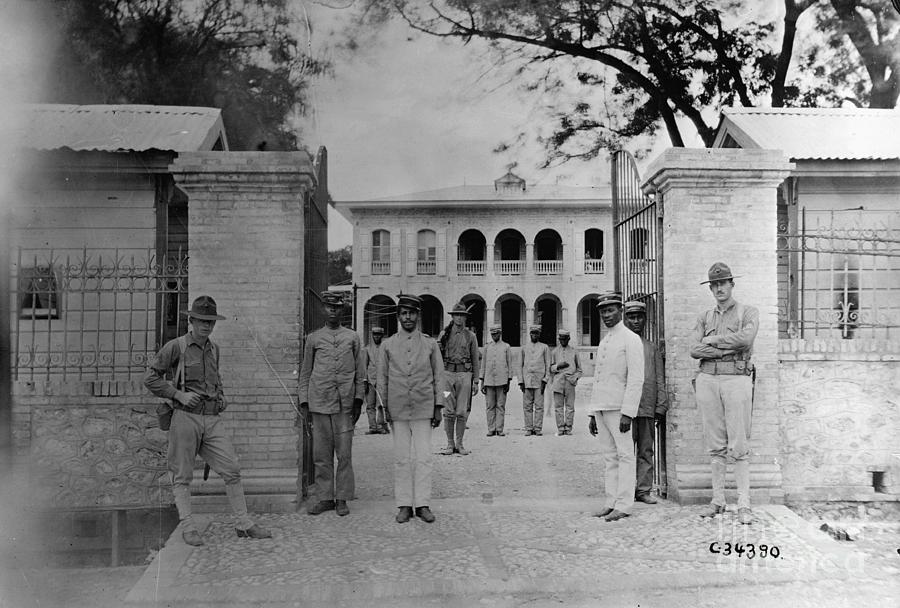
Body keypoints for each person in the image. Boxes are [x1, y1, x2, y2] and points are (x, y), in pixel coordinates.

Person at [144, 295, 272, 546]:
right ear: (191, 320)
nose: (206, 326)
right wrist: (178, 393)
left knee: (232, 469)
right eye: (201, 320)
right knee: (182, 475)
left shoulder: (215, 349)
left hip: (212, 418)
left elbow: (216, 379)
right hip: (185, 417)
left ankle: (243, 524)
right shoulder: (176, 346)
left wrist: (221, 396)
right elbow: (151, 378)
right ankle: (188, 527)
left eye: (210, 321)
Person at [690, 263, 759, 525]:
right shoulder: (705, 317)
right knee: (715, 445)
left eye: (724, 283)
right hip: (708, 379)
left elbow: (745, 340)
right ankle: (718, 501)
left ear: (732, 284)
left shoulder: (748, 312)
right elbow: (694, 349)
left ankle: (744, 504)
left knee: (739, 445)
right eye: (714, 284)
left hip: (737, 379)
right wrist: (721, 351)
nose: (719, 288)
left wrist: (714, 342)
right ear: (710, 288)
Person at [377, 294, 445, 523]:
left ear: (418, 315)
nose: (408, 317)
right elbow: (382, 379)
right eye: (403, 313)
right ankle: (404, 504)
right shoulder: (387, 345)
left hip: (424, 407)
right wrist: (383, 407)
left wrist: (439, 405)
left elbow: (440, 378)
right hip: (397, 408)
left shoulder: (430, 344)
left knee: (424, 457)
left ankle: (423, 504)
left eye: (412, 312)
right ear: (398, 316)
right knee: (401, 458)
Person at [298, 291, 365, 517]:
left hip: (344, 405)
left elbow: (360, 374)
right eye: (329, 307)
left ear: (342, 310)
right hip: (319, 403)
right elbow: (306, 372)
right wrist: (304, 401)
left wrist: (358, 400)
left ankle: (342, 498)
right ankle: (325, 497)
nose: (333, 311)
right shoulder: (314, 339)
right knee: (321, 455)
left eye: (337, 307)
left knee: (344, 455)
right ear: (323, 309)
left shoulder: (353, 338)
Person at [587, 291, 644, 522]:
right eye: (603, 312)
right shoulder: (605, 340)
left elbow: (636, 378)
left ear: (620, 310)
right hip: (602, 407)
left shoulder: (630, 339)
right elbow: (598, 377)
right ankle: (611, 501)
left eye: (610, 310)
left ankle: (624, 504)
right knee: (610, 457)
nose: (606, 315)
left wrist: (628, 413)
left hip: (619, 409)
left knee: (625, 456)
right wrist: (592, 412)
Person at [623, 301, 668, 504]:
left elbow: (659, 377)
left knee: (645, 450)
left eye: (639, 317)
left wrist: (660, 405)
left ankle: (643, 490)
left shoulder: (652, 348)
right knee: (623, 452)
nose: (635, 321)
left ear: (644, 319)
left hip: (647, 405)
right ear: (626, 320)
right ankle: (623, 491)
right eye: (631, 317)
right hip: (625, 408)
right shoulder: (621, 346)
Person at [437, 302, 480, 455]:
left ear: (465, 317)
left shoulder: (471, 336)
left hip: (464, 377)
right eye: (456, 315)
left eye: (462, 315)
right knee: (448, 410)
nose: (459, 318)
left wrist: (476, 381)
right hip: (447, 377)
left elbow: (475, 358)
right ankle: (450, 444)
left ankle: (460, 444)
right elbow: (437, 358)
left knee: (461, 411)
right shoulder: (444, 335)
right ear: (452, 316)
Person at [479, 324, 512, 437]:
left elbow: (509, 365)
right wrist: (482, 381)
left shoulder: (506, 347)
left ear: (500, 334)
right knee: (490, 406)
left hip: (502, 380)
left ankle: (499, 428)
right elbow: (483, 364)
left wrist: (508, 381)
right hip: (489, 380)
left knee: (500, 405)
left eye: (496, 334)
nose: (494, 336)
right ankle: (491, 428)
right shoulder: (487, 347)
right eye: (492, 334)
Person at [518, 324, 550, 436]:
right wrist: (521, 381)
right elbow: (519, 365)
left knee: (539, 406)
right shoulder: (524, 347)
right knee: (527, 406)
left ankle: (537, 428)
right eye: (532, 333)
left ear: (539, 334)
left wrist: (545, 380)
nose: (534, 335)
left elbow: (548, 364)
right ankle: (528, 428)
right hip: (527, 381)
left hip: (539, 381)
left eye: (536, 333)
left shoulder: (544, 347)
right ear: (529, 334)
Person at [550, 328, 582, 436]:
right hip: (558, 382)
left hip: (570, 382)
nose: (562, 341)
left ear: (569, 339)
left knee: (570, 407)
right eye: (561, 339)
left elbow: (580, 370)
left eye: (565, 339)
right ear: (558, 339)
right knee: (558, 407)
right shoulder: (554, 352)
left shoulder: (574, 351)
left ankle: (568, 428)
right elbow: (550, 368)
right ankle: (560, 428)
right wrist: (558, 366)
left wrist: (575, 378)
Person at [364, 326, 389, 435]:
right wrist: (365, 380)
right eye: (374, 334)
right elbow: (364, 366)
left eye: (378, 334)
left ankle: (381, 426)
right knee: (370, 405)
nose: (376, 336)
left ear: (382, 336)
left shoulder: (385, 348)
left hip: (382, 381)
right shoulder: (367, 349)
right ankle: (372, 427)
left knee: (381, 404)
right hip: (370, 381)